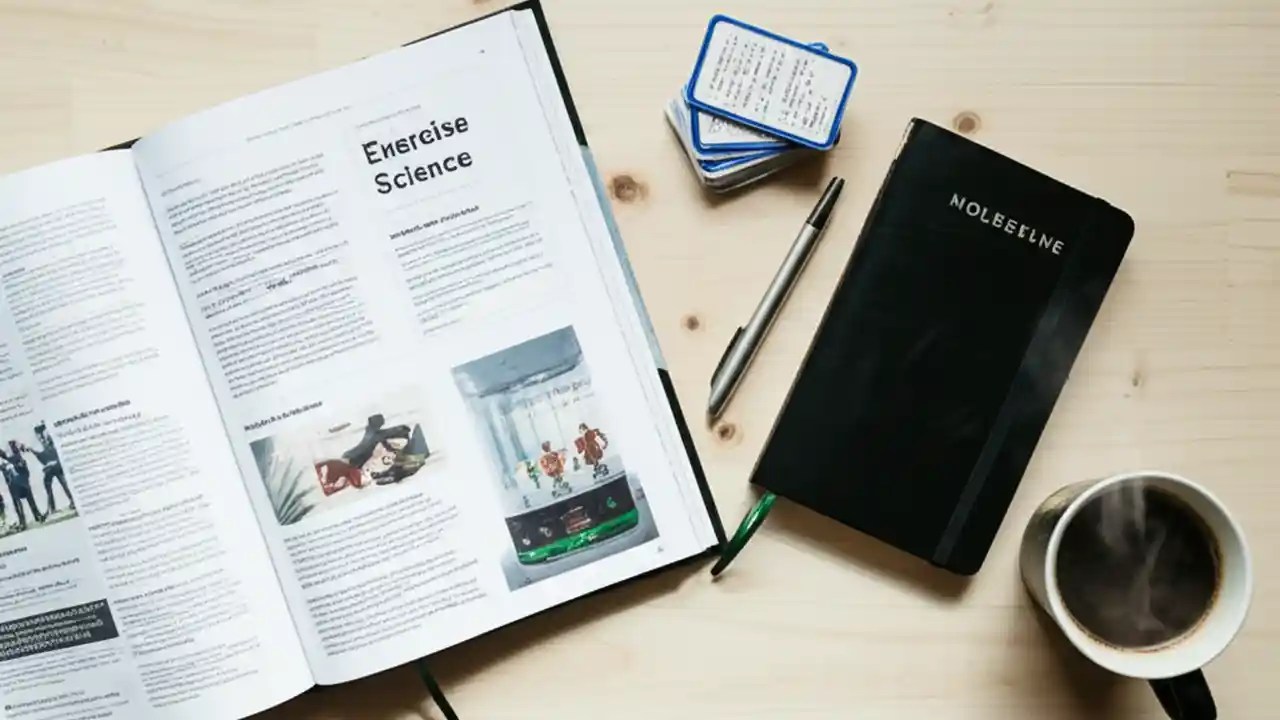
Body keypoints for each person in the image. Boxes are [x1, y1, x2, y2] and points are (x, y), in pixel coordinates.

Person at [1, 441, 44, 529]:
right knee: (29, 499)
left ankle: (23, 521)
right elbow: (26, 471)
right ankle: (37, 515)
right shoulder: (18, 458)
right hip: (21, 482)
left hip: (14, 484)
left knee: (18, 502)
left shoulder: (5, 462)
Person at [32, 423, 73, 514]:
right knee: (49, 485)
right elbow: (41, 457)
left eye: (40, 434)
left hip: (56, 465)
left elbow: (57, 452)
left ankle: (72, 501)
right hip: (49, 468)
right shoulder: (39, 443)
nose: (40, 437)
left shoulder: (50, 440)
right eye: (38, 435)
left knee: (64, 483)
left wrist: (53, 462)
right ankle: (53, 508)